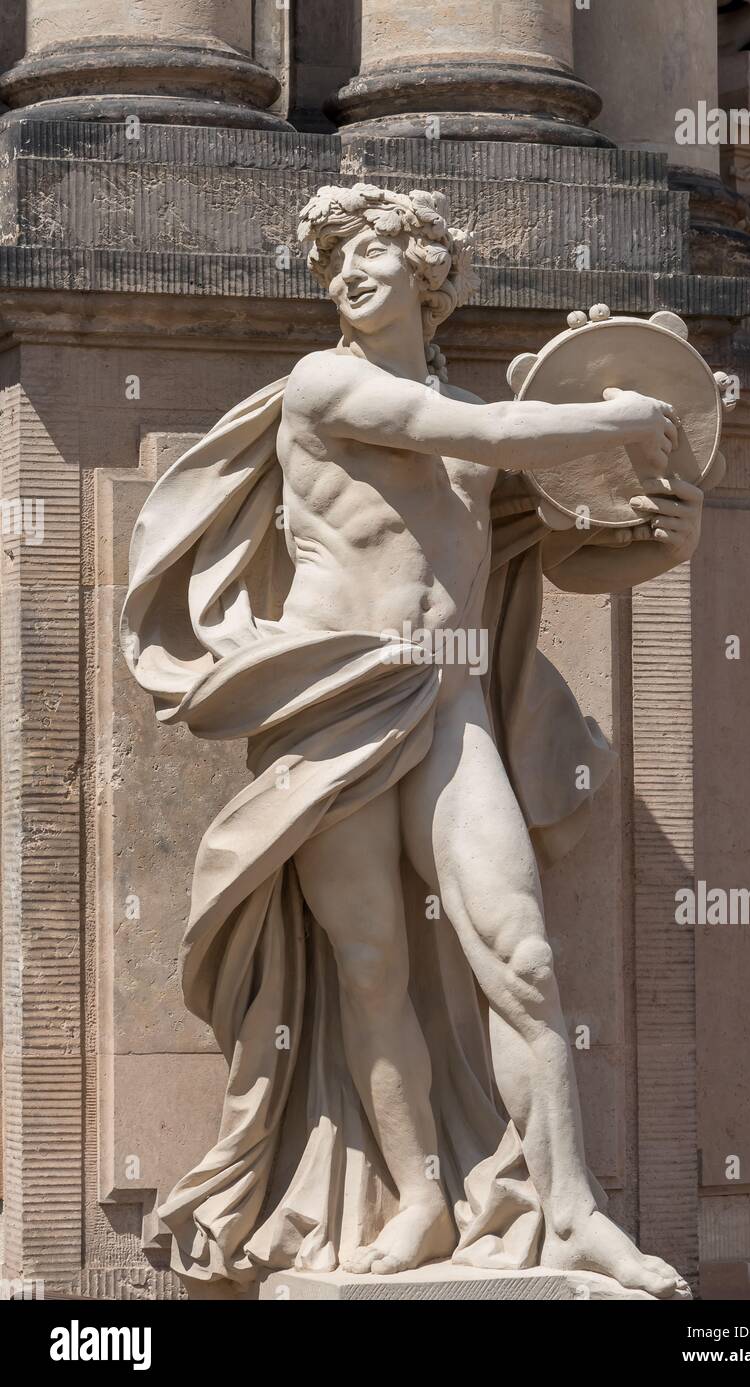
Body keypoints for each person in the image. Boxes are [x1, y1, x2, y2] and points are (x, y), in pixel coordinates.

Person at [122, 183, 704, 1295]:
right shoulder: (327, 383)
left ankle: (573, 1211)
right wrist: (623, 415)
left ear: (426, 271)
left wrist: (665, 541)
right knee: (373, 965)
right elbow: (481, 429)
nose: (345, 271)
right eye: (332, 257)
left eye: (369, 250)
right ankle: (423, 1200)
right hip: (332, 699)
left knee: (524, 957)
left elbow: (571, 555)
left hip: (448, 704)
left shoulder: (479, 434)